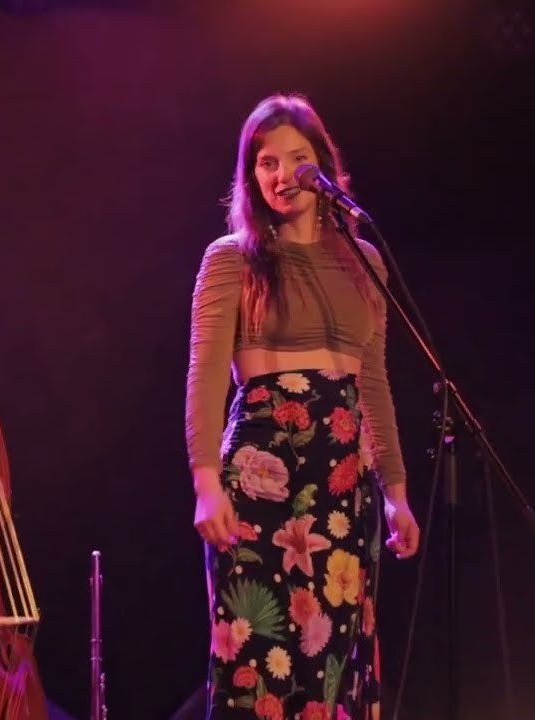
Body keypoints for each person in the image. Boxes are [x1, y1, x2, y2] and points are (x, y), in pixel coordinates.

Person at [186, 93, 421, 720]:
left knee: (333, 665)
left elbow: (374, 385)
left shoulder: (364, 261)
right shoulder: (230, 259)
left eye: (296, 158)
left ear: (324, 165)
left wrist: (395, 489)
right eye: (265, 162)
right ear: (250, 175)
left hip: (346, 482)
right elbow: (206, 377)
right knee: (259, 660)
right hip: (262, 480)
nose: (281, 174)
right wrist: (207, 482)